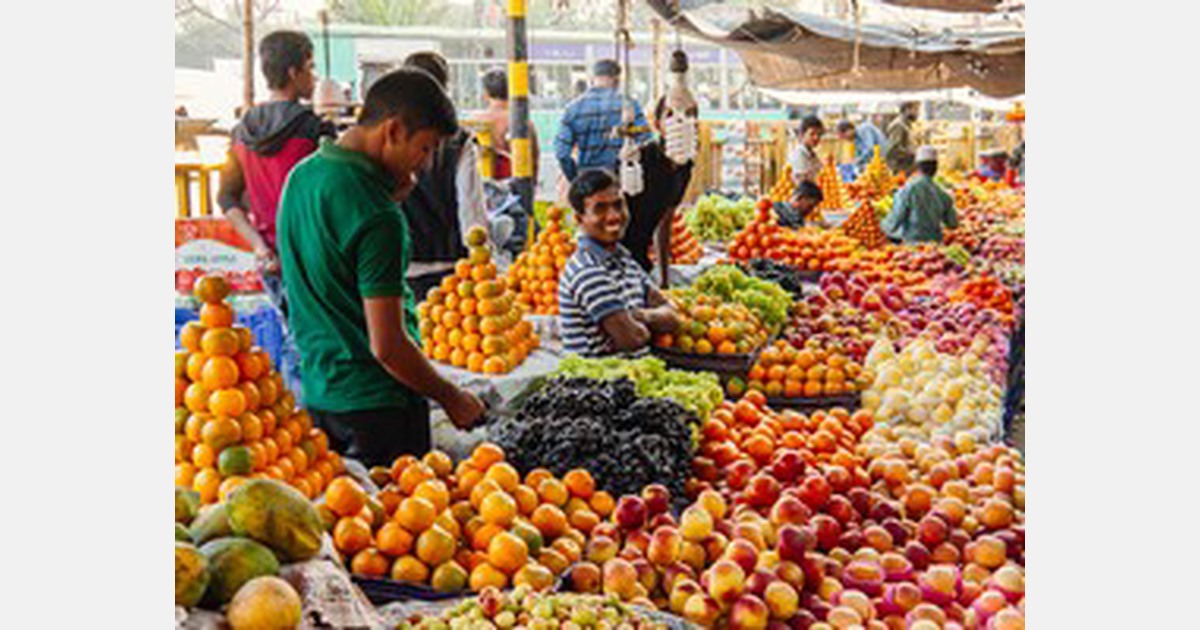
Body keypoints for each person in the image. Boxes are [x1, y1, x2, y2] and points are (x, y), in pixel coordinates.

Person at [276, 68, 485, 466]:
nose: (424, 165)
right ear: (392, 131)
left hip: (321, 393)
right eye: (424, 148)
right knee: (399, 521)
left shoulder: (302, 177)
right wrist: (452, 398)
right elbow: (388, 347)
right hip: (380, 406)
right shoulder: (377, 215)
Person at [217, 30, 335, 400]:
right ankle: (316, 427)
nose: (313, 78)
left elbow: (227, 197)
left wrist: (259, 246)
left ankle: (295, 427)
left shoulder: (242, 131)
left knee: (290, 338)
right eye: (310, 68)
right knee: (318, 343)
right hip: (312, 258)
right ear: (292, 71)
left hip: (269, 258)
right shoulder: (315, 131)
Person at [399, 51, 490, 301]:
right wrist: (482, 267)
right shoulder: (458, 142)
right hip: (449, 273)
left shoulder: (392, 136)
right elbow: (471, 212)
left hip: (399, 270)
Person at [558, 169, 679, 357]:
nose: (614, 216)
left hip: (634, 376)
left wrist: (640, 316)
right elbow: (633, 338)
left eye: (618, 205)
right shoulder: (587, 270)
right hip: (598, 383)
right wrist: (652, 319)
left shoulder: (624, 258)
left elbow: (672, 317)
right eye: (600, 209)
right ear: (579, 219)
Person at [620, 96, 696, 282]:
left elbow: (665, 221)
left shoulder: (684, 168)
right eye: (669, 115)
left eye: (689, 115)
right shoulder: (640, 160)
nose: (680, 121)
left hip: (640, 259)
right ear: (657, 124)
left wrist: (664, 277)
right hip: (617, 258)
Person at [553, 59, 650, 182]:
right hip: (619, 178)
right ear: (617, 79)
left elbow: (561, 153)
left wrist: (574, 177)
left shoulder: (573, 109)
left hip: (586, 178)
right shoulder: (629, 105)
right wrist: (623, 131)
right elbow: (645, 136)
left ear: (593, 79)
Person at [882, 146, 958, 244]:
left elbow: (893, 222)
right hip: (935, 248)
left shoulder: (907, 189)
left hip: (912, 248)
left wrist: (879, 225)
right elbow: (953, 224)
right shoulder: (943, 194)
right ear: (936, 168)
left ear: (917, 166)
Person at [477, 68, 540, 182]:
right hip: (516, 188)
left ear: (485, 94)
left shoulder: (477, 122)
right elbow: (534, 159)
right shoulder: (524, 122)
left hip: (484, 189)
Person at [885, 101, 920, 174]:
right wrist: (914, 153)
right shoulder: (898, 126)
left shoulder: (906, 125)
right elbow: (894, 149)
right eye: (916, 109)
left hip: (907, 169)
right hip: (900, 170)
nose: (918, 113)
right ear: (907, 109)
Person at [790, 115, 824, 185]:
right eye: (812, 134)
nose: (816, 138)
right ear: (802, 134)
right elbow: (802, 185)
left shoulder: (813, 155)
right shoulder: (798, 156)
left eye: (819, 134)